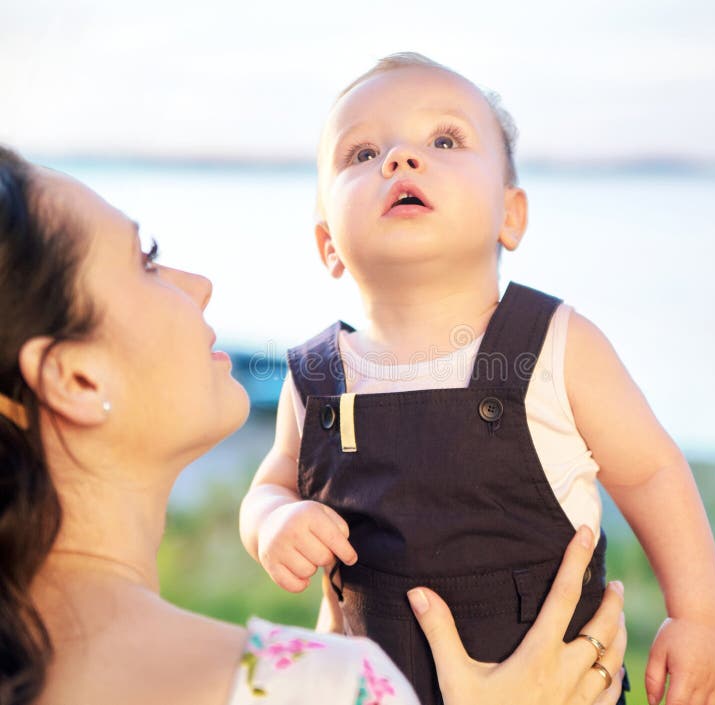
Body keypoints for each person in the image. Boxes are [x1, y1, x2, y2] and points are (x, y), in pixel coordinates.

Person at [0, 145, 627, 705]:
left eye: (445, 141)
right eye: (147, 262)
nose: (200, 285)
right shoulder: (321, 686)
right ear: (75, 379)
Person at [239, 53, 715, 705]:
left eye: (443, 140)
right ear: (328, 242)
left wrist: (698, 615)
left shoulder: (558, 344)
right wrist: (273, 520)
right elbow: (270, 484)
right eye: (362, 152)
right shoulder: (316, 380)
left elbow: (651, 471)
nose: (400, 159)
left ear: (511, 214)